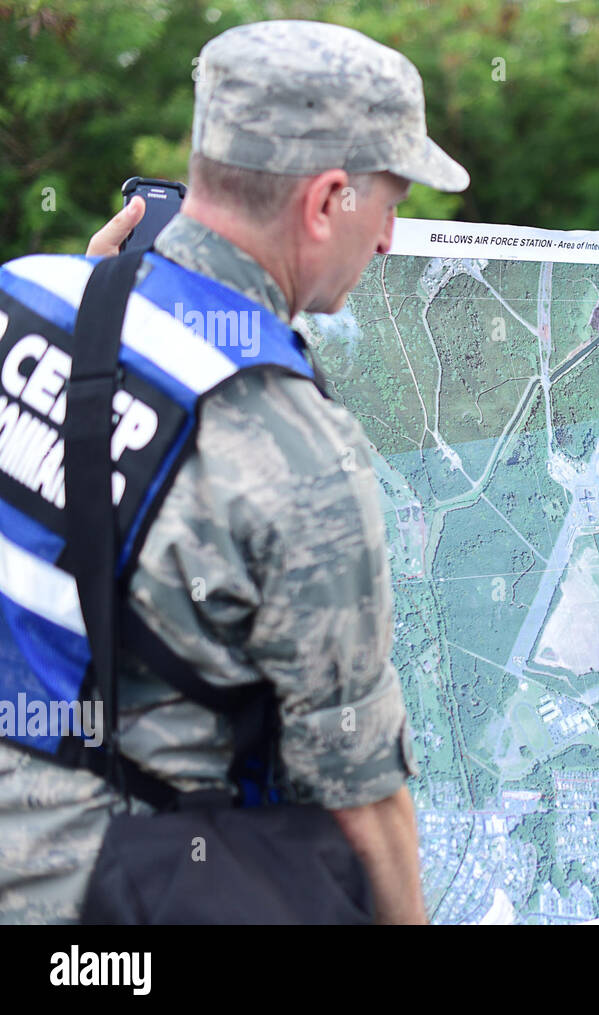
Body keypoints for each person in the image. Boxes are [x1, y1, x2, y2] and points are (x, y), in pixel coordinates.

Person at [0, 18, 470, 924]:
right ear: (328, 199)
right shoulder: (297, 447)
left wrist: (106, 315)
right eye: (388, 203)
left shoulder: (25, 293)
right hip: (110, 898)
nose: (388, 240)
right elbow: (362, 793)